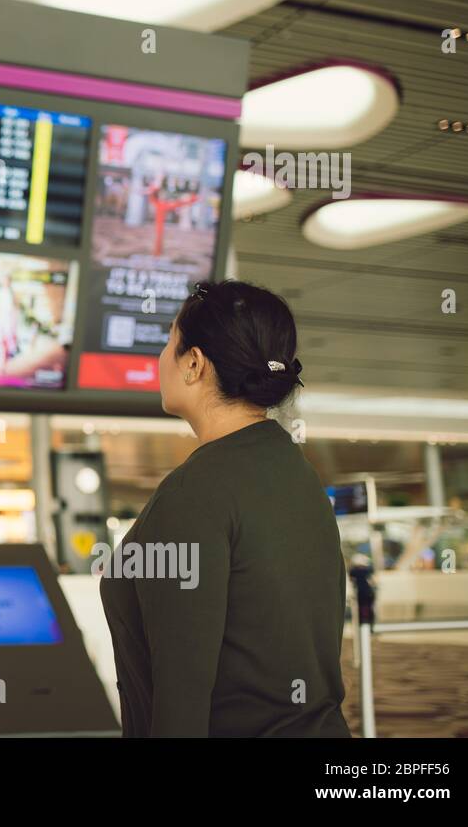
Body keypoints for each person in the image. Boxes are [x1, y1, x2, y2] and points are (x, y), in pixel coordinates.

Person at [99, 279, 350, 737]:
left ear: (193, 364)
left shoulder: (193, 493)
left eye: (168, 342)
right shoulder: (297, 473)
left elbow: (181, 697)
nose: (160, 359)